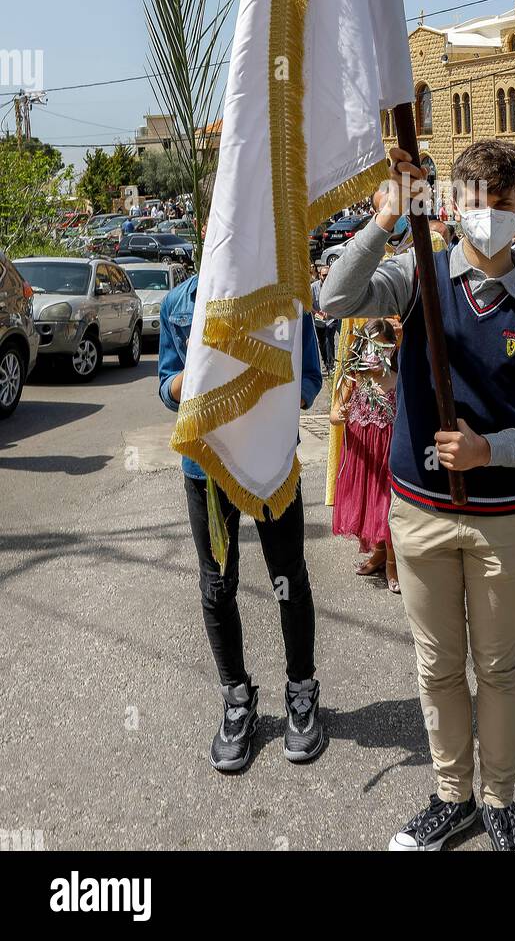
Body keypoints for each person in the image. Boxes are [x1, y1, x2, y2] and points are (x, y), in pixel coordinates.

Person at [321, 140, 515, 852]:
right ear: (453, 205)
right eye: (475, 200)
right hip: (420, 511)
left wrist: (490, 450)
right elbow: (333, 298)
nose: (488, 214)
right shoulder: (419, 277)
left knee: (498, 667)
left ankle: (499, 800)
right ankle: (453, 796)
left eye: (502, 203)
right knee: (437, 665)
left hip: (504, 518)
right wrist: (386, 217)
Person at [159, 271, 326, 772]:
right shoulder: (179, 303)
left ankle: (301, 691)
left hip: (271, 462)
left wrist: (267, 385)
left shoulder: (288, 299)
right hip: (207, 469)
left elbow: (309, 380)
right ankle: (237, 699)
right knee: (217, 586)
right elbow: (167, 387)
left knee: (288, 579)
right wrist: (200, 371)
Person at [331, 318, 401, 593]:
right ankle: (379, 554)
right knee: (370, 506)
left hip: (387, 454)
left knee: (386, 506)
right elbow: (334, 415)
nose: (375, 354)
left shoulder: (398, 379)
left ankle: (393, 563)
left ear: (392, 349)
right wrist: (341, 414)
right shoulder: (355, 378)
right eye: (371, 347)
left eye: (383, 348)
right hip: (362, 455)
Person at [312, 262, 340, 374]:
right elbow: (308, 304)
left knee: (329, 339)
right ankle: (325, 363)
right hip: (318, 320)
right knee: (322, 342)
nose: (326, 277)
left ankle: (331, 365)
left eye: (328, 275)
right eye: (324, 275)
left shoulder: (335, 286)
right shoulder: (313, 287)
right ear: (319, 275)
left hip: (332, 318)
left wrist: (329, 312)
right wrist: (316, 313)